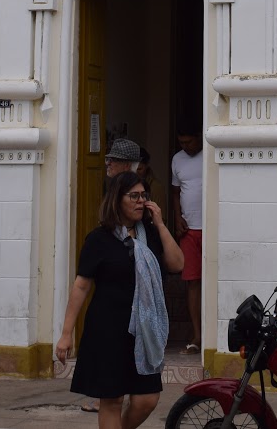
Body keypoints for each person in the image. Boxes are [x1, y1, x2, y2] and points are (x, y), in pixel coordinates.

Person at [57, 170, 184, 429]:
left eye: (143, 196)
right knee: (112, 400)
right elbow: (81, 286)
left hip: (143, 332)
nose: (140, 201)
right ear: (117, 199)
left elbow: (177, 263)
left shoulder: (149, 235)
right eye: (134, 196)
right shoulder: (98, 239)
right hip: (107, 330)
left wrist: (160, 224)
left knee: (147, 399)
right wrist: (66, 333)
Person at [169, 126, 204, 354]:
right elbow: (175, 192)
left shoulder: (209, 154)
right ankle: (197, 335)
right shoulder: (177, 159)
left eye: (189, 142)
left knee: (210, 281)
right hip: (188, 230)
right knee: (192, 282)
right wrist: (177, 217)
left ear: (199, 137)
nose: (185, 147)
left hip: (210, 229)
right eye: (182, 142)